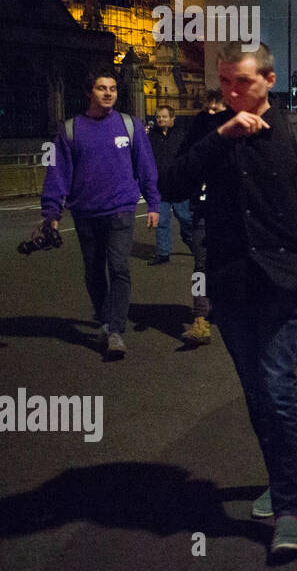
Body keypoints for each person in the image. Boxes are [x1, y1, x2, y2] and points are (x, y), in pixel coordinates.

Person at [159, 41, 297, 555]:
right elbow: (171, 183)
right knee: (256, 390)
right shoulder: (210, 128)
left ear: (270, 80)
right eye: (226, 84)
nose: (233, 93)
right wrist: (221, 135)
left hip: (284, 278)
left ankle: (288, 509)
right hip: (231, 280)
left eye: (245, 82)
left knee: (278, 385)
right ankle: (278, 478)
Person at [40, 67, 160, 361]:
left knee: (119, 267)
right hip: (85, 212)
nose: (109, 93)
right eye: (101, 88)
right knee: (94, 270)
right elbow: (58, 173)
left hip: (121, 209)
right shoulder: (70, 130)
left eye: (113, 89)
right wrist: (51, 211)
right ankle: (107, 321)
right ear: (89, 93)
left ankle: (115, 329)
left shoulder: (130, 125)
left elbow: (146, 167)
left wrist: (154, 203)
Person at [178, 90, 226, 347]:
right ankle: (200, 319)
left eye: (217, 112)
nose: (211, 116)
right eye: (208, 111)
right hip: (201, 212)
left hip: (229, 215)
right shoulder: (198, 141)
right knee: (200, 265)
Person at [148, 105, 191, 265]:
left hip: (180, 187)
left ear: (172, 118)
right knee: (161, 222)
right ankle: (163, 253)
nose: (160, 119)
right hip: (160, 188)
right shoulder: (151, 137)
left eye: (164, 116)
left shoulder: (182, 136)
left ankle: (197, 246)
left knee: (186, 219)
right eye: (158, 117)